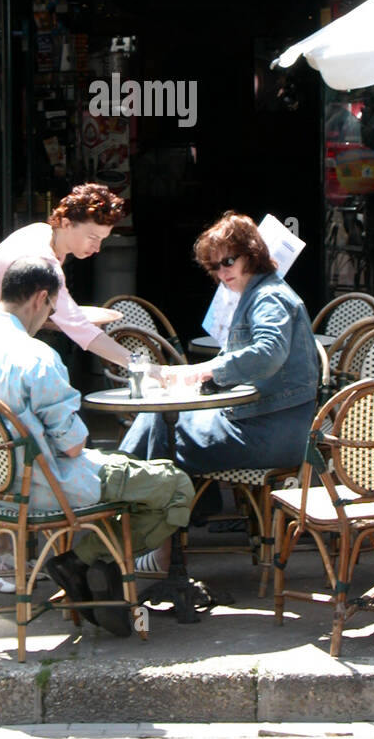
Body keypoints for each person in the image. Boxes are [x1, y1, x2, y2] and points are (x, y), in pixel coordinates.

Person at [0, 257, 194, 637]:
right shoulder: (38, 357)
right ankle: (84, 562)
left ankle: (89, 570)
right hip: (54, 489)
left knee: (130, 476)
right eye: (51, 309)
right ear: (40, 298)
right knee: (174, 485)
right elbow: (73, 445)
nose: (48, 320)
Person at [119, 212, 318, 545]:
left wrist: (204, 371)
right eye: (213, 267)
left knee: (159, 426)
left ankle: (132, 518)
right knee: (161, 421)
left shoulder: (268, 297)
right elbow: (242, 360)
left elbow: (268, 352)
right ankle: (157, 521)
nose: (221, 272)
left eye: (227, 261)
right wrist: (199, 375)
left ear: (251, 254)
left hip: (272, 432)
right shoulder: (258, 293)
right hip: (266, 423)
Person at [0, 182, 133, 371]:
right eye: (92, 238)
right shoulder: (42, 258)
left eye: (101, 240)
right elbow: (80, 329)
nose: (97, 248)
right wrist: (139, 364)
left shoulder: (40, 231)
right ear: (66, 223)